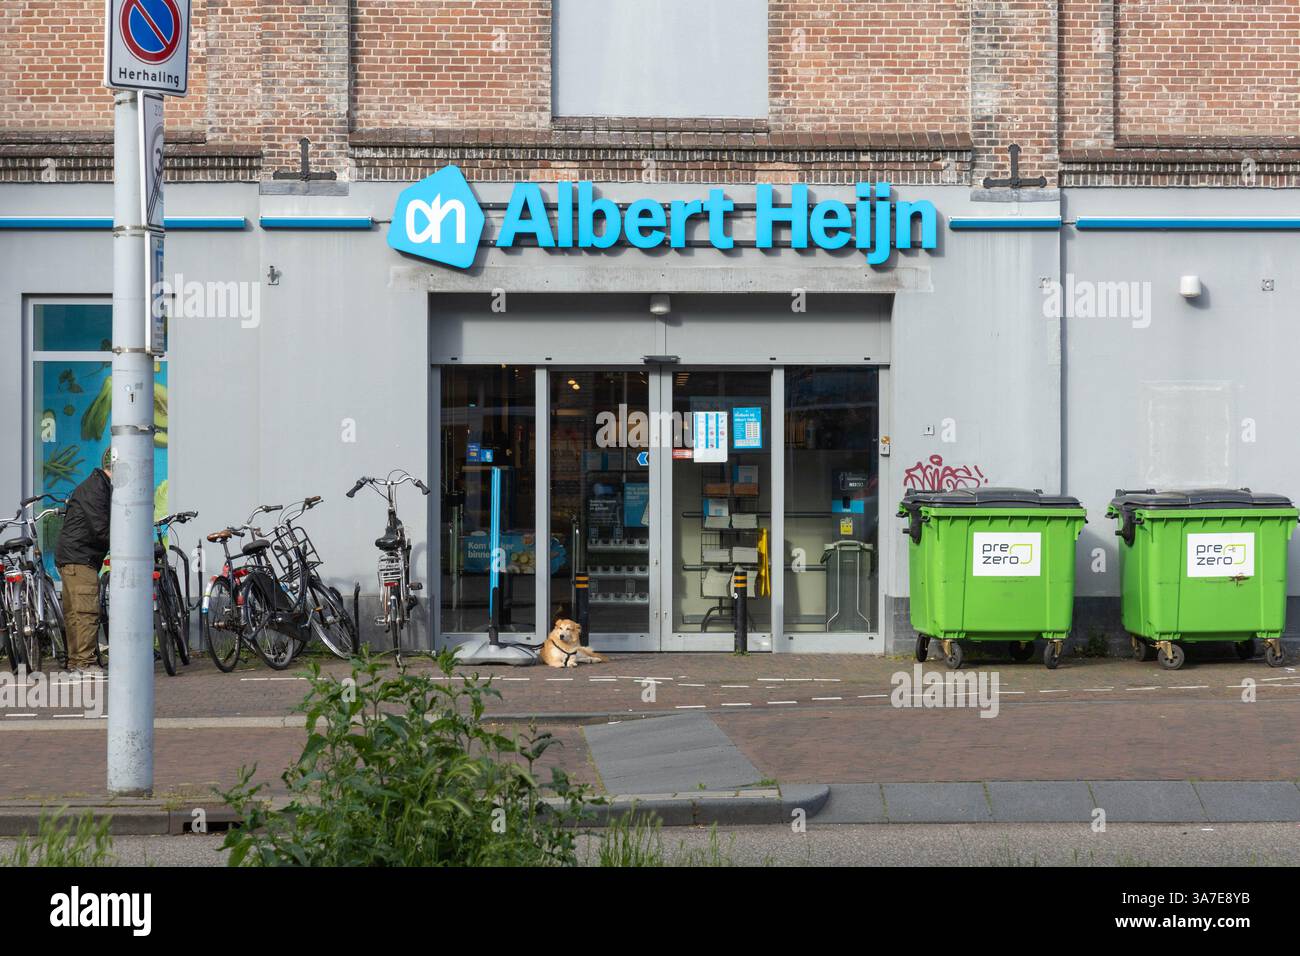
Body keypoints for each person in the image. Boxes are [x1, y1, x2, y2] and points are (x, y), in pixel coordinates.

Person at [55, 449, 113, 674]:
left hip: (72, 556)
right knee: (86, 612)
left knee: (75, 613)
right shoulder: (97, 490)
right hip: (80, 557)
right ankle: (86, 663)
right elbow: (101, 529)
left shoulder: (96, 485)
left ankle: (77, 662)